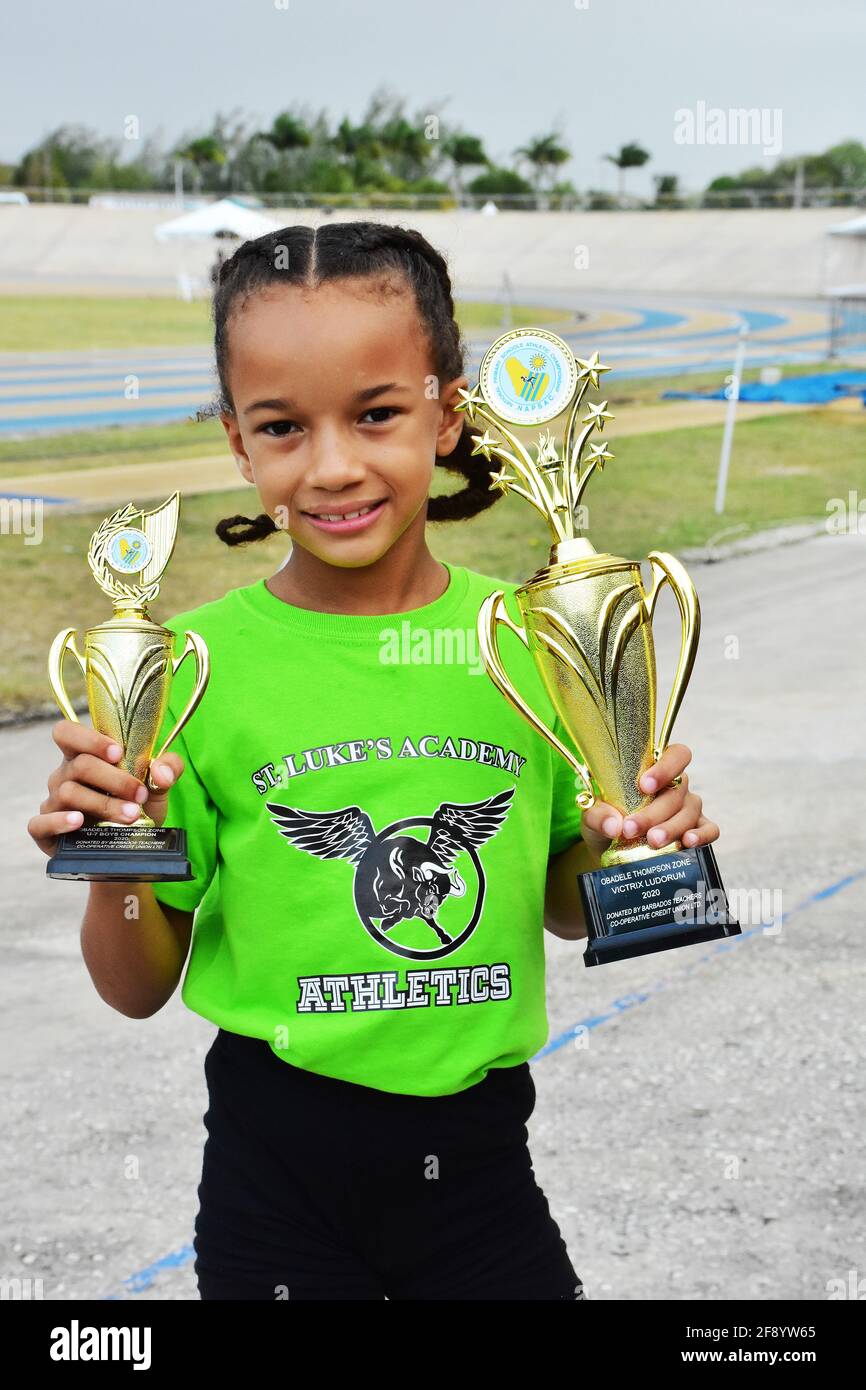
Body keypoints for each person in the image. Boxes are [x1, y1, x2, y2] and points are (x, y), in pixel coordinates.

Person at [28, 220, 719, 1301]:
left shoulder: (530, 642)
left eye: (377, 413)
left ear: (447, 413)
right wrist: (112, 855)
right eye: (282, 426)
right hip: (276, 1181)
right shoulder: (190, 670)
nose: (333, 464)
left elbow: (569, 911)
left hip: (480, 1171)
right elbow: (135, 989)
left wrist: (619, 838)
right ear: (235, 442)